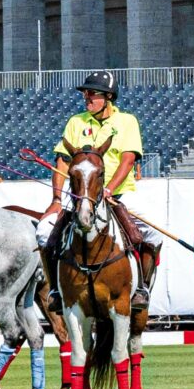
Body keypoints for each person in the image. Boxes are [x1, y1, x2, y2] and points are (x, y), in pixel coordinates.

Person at [47, 71, 154, 298]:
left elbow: (128, 160)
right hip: (80, 197)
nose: (87, 99)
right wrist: (57, 199)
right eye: (85, 94)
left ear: (109, 97)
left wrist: (109, 190)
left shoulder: (127, 121)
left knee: (154, 234)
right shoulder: (76, 122)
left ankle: (141, 288)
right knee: (43, 233)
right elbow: (63, 162)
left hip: (119, 194)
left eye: (92, 94)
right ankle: (56, 290)